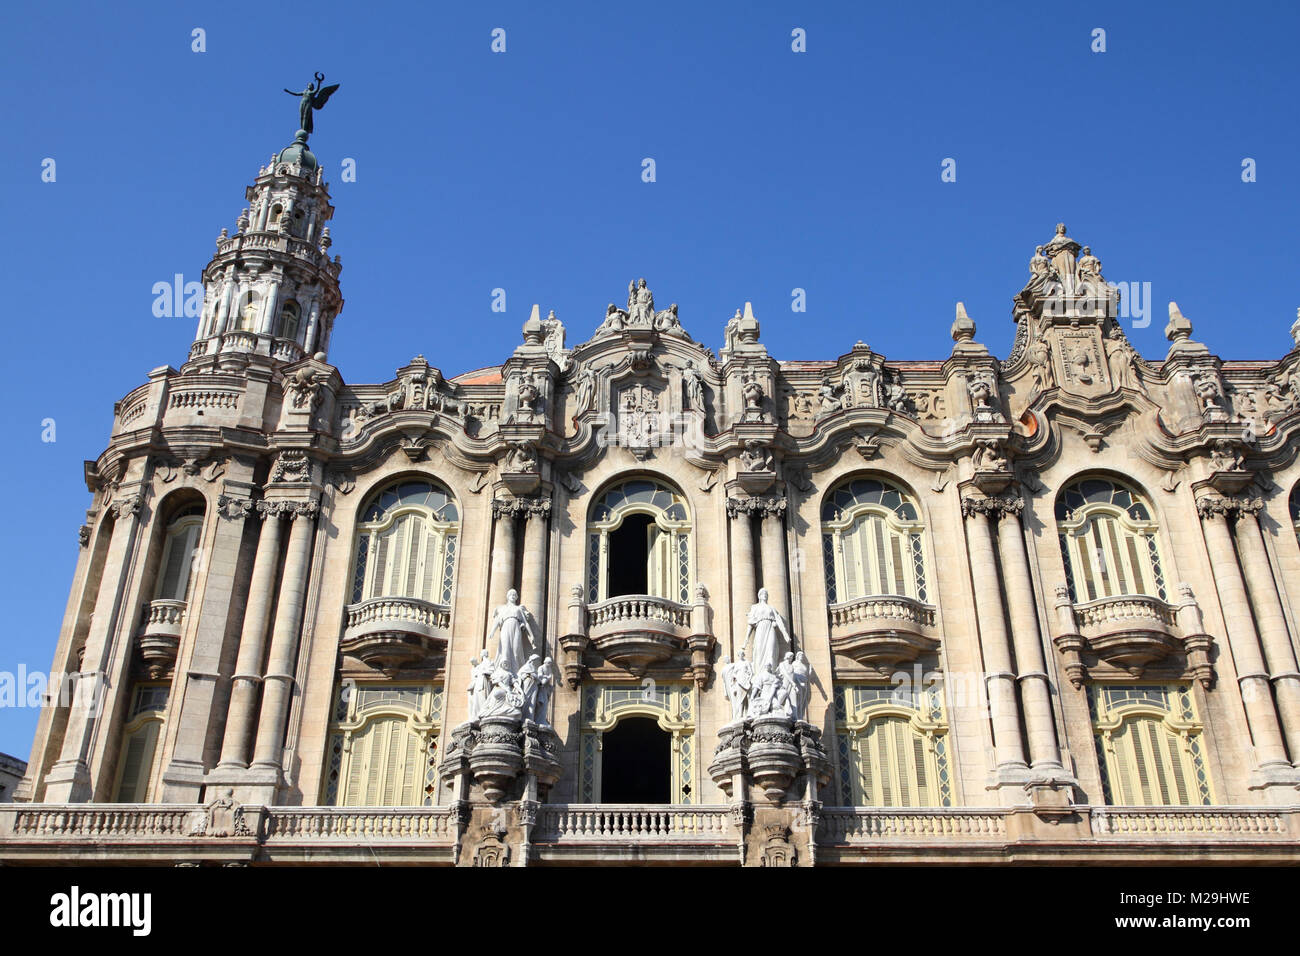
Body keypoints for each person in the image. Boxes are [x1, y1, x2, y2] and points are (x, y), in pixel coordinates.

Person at [487, 589, 535, 675]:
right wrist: (492, 632)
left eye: (514, 595)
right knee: (505, 648)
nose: (512, 596)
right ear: (507, 597)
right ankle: (504, 671)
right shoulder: (503, 609)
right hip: (505, 628)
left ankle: (516, 673)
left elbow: (525, 623)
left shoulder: (518, 609)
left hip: (516, 628)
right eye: (511, 594)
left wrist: (531, 635)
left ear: (516, 597)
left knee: (516, 650)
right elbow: (497, 621)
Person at [746, 588, 790, 675]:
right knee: (759, 650)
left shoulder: (771, 608)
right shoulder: (755, 607)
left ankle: (771, 673)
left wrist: (785, 634)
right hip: (760, 629)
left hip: (770, 629)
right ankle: (759, 674)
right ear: (759, 596)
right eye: (762, 593)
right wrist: (746, 639)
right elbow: (750, 623)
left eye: (766, 593)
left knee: (771, 649)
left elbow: (779, 620)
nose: (765, 595)